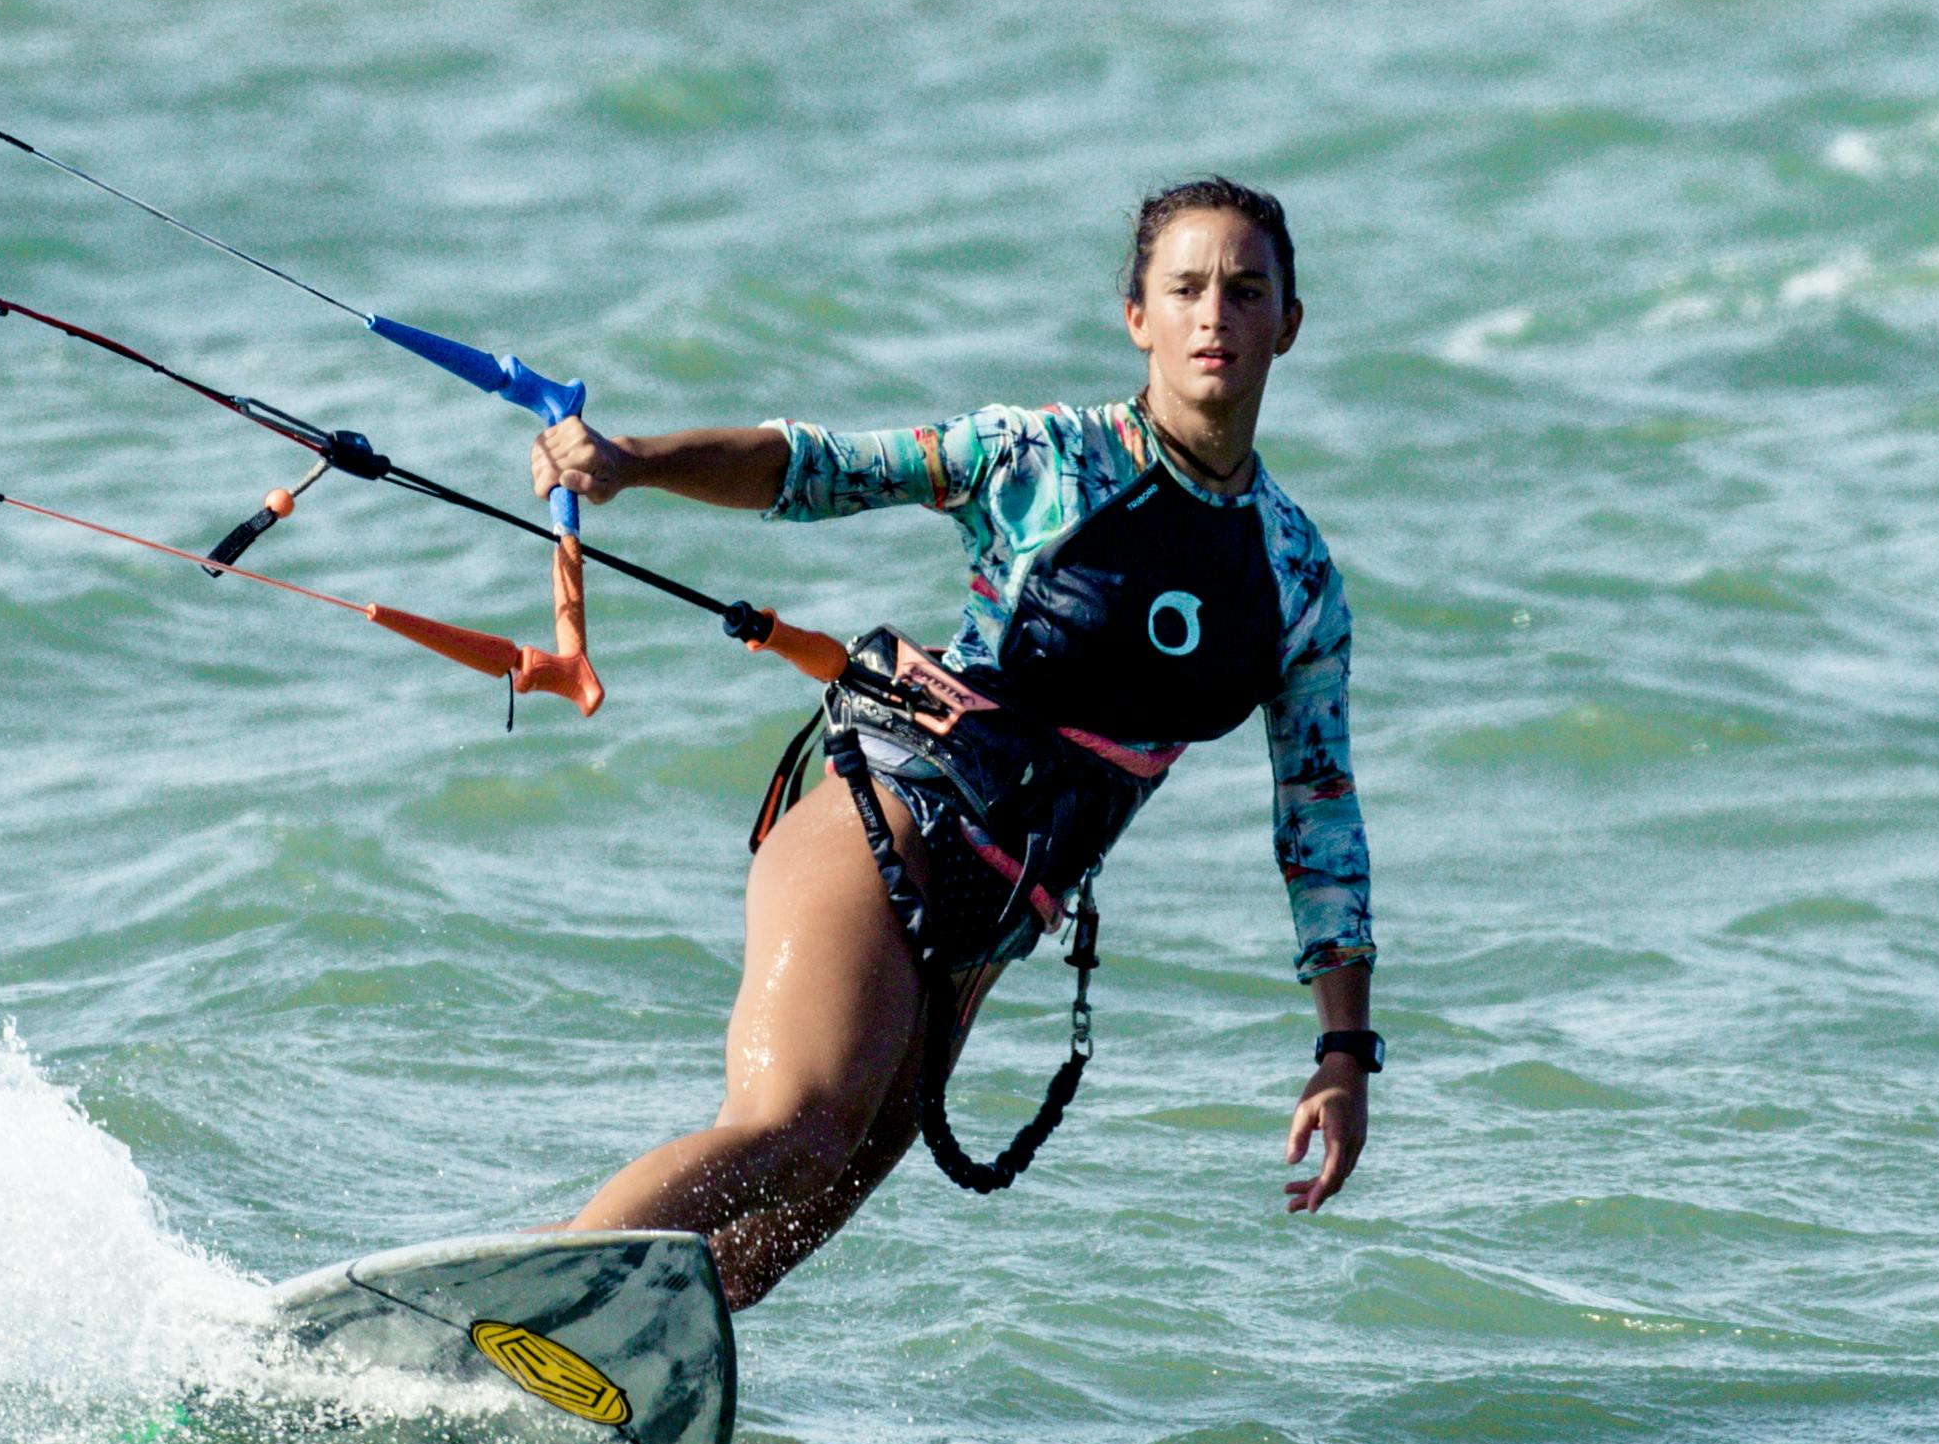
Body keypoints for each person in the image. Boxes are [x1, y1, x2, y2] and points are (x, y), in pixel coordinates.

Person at [534, 178, 1375, 1309]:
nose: (1214, 314)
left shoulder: (1296, 577)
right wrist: (637, 462)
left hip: (991, 920)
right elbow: (823, 467)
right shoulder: (1043, 459)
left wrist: (1343, 1049)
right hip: (890, 821)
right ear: (1139, 317)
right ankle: (505, 1312)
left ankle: (598, 1375)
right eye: (1185, 288)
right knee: (794, 1130)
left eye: (1244, 289)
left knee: (810, 1202)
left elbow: (1317, 816)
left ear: (1289, 322)